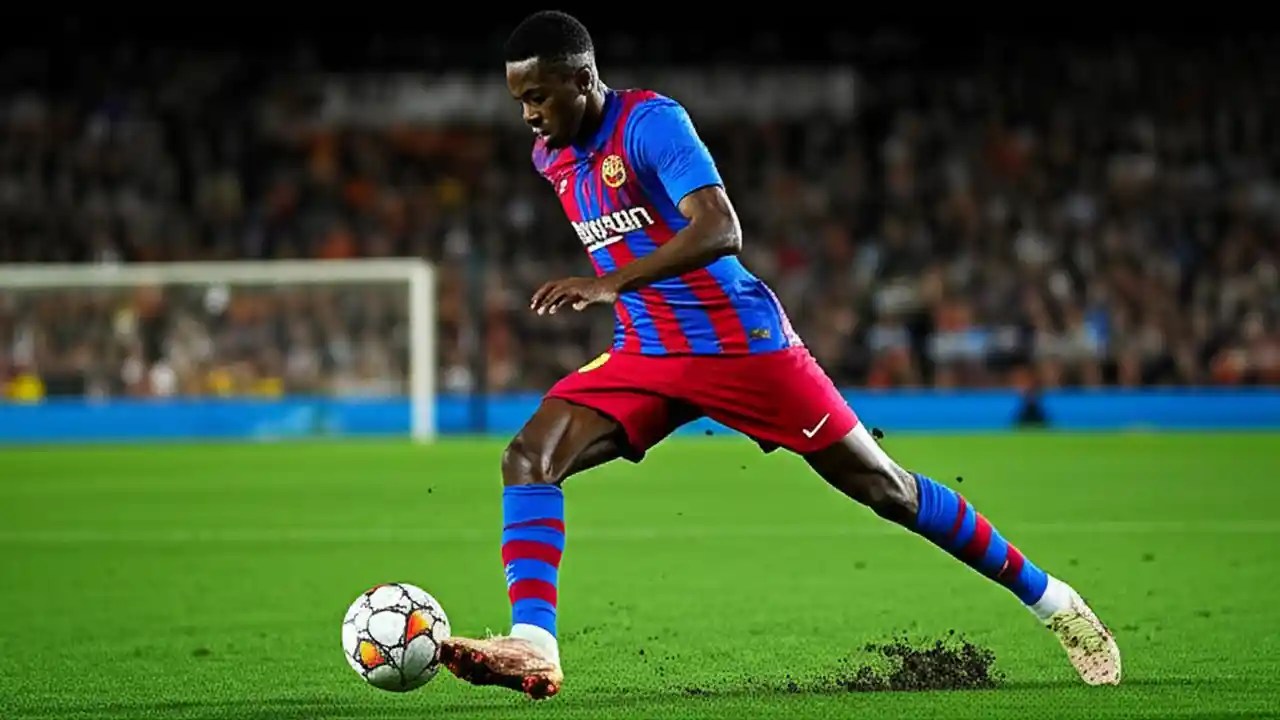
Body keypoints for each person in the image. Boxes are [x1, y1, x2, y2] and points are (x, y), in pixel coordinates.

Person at [438, 10, 1121, 699]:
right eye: (519, 100)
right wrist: (623, 293)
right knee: (528, 457)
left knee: (887, 490)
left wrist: (609, 284)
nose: (527, 115)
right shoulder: (550, 155)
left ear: (582, 78)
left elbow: (720, 228)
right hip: (648, 350)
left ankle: (1054, 602)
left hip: (741, 346)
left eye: (537, 97)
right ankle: (533, 645)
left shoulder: (650, 124)